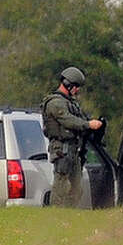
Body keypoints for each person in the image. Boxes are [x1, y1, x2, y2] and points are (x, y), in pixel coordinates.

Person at [40, 66, 104, 208]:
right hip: (62, 149)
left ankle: (68, 214)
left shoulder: (70, 102)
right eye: (75, 86)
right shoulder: (55, 103)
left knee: (77, 188)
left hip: (74, 150)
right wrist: (88, 124)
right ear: (68, 84)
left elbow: (78, 119)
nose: (77, 90)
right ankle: (56, 214)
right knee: (61, 184)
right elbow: (69, 121)